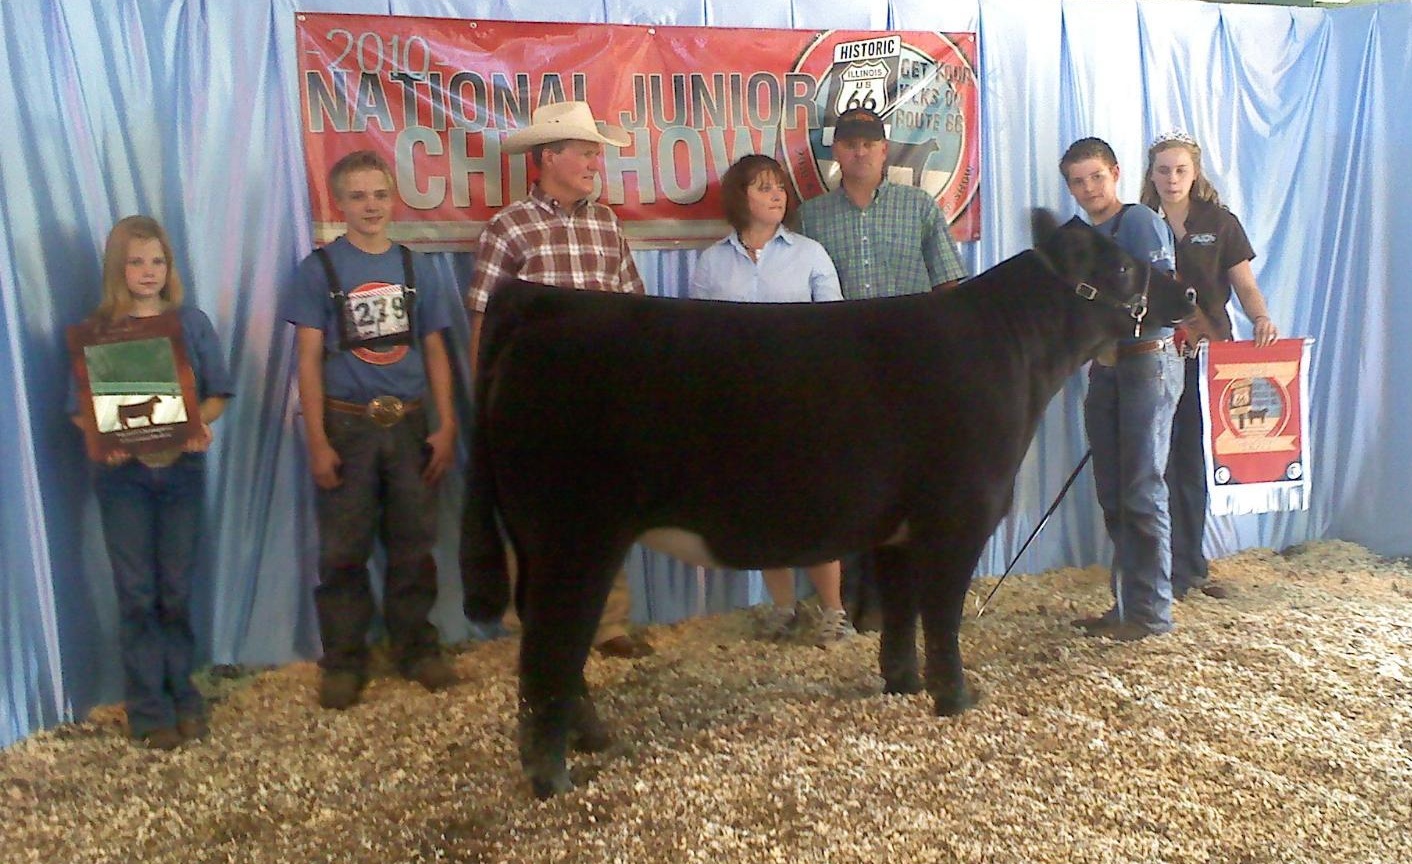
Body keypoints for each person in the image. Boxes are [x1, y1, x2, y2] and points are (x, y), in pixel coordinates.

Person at [461, 100, 654, 659]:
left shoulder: (606, 224)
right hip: (534, 400)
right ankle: (539, 624)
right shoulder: (508, 228)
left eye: (597, 151)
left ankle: (609, 623)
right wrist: (488, 398)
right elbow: (485, 321)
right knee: (534, 512)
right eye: (587, 150)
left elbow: (631, 311)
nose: (597, 160)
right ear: (551, 156)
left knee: (607, 507)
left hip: (602, 394)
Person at [283, 150, 459, 710]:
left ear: (394, 198)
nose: (371, 206)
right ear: (338, 202)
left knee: (414, 542)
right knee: (343, 548)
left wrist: (447, 422)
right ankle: (344, 659)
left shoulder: (416, 267)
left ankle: (416, 648)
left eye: (379, 194)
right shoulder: (319, 271)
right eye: (358, 196)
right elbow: (308, 360)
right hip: (348, 426)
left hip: (408, 424)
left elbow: (434, 348)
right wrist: (317, 439)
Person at [799, 106, 969, 630]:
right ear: (835, 151)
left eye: (868, 142)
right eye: (848, 143)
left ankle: (906, 600)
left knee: (909, 482)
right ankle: (851, 600)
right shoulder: (810, 216)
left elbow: (949, 286)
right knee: (849, 482)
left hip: (911, 364)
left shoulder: (919, 206)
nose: (859, 151)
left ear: (884, 148)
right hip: (844, 366)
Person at [70, 215, 232, 749]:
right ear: (118, 268)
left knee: (176, 591)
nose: (147, 271)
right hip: (123, 480)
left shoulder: (192, 324)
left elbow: (216, 394)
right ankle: (148, 708)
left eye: (156, 260)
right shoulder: (98, 332)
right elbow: (80, 412)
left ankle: (182, 693)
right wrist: (108, 441)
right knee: (137, 593)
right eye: (136, 261)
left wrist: (198, 426)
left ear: (170, 266)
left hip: (181, 471)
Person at [686, 153, 855, 646]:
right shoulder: (713, 262)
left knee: (816, 506)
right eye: (764, 187)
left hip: (803, 401)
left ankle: (834, 611)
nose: (778, 195)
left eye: (780, 187)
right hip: (741, 404)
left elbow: (836, 330)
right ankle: (783, 607)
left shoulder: (810, 254)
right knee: (760, 507)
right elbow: (701, 337)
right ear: (740, 197)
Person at [1142, 129, 1279, 601]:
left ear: (1195, 172)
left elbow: (1243, 283)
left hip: (1204, 354)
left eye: (1180, 169)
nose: (1172, 178)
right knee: (1153, 461)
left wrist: (1260, 316)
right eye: (1163, 170)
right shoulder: (1139, 221)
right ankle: (1153, 565)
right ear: (1151, 173)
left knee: (1188, 460)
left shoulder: (1219, 222)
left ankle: (1190, 567)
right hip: (1154, 352)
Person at [1061, 137, 1183, 642]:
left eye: (1096, 177)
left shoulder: (1138, 222)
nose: (1089, 188)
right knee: (1113, 492)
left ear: (1115, 173)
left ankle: (1152, 613)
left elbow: (1159, 296)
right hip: (1106, 367)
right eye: (1077, 181)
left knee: (1140, 489)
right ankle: (1126, 605)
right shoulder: (1084, 235)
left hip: (1146, 363)